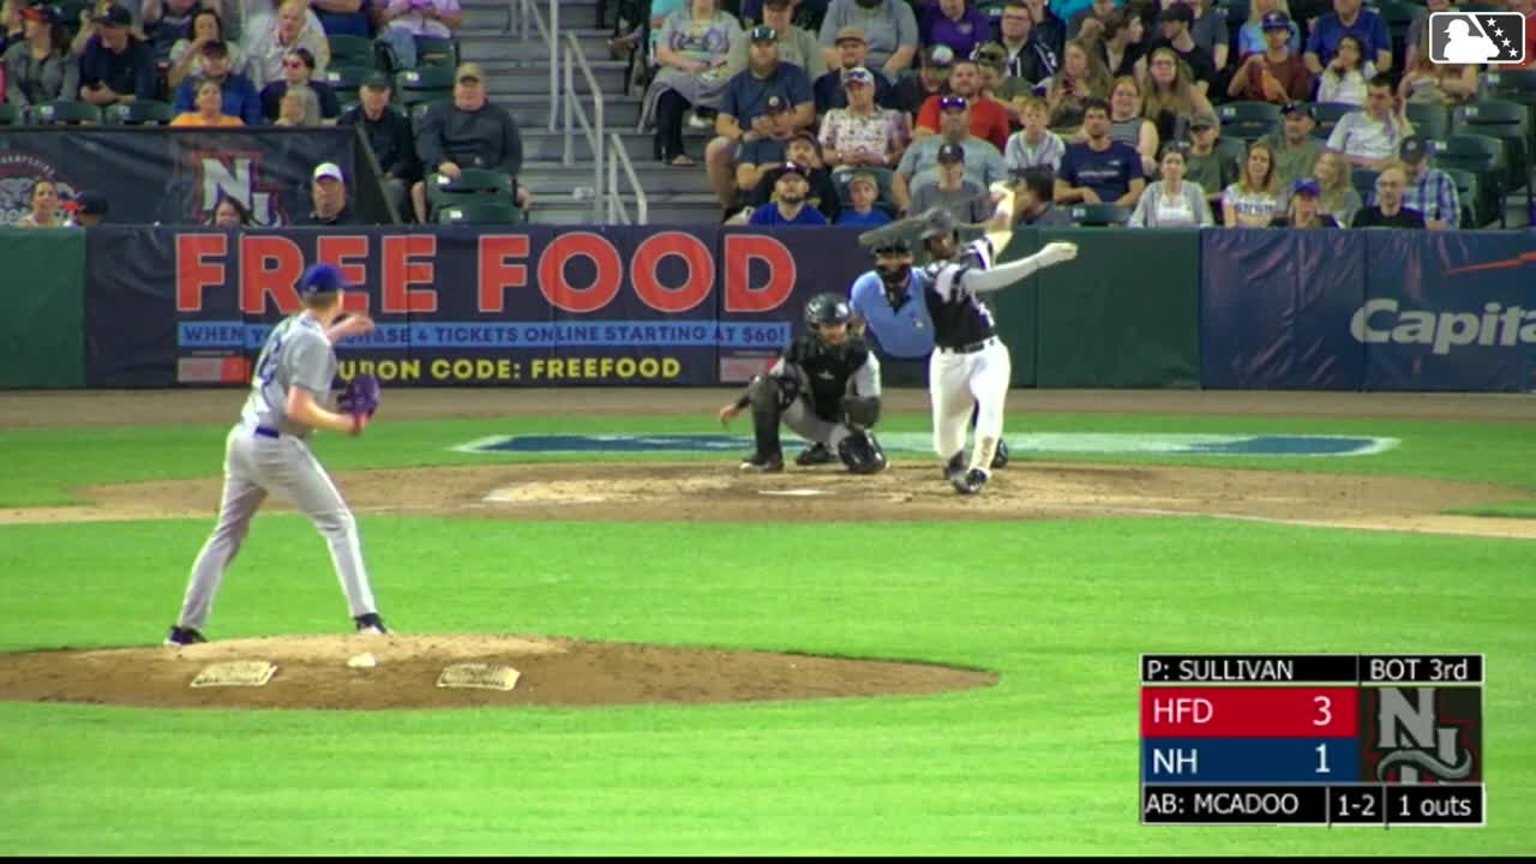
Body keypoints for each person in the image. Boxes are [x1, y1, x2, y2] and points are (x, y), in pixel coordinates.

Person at [164, 263, 390, 647]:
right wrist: (346, 423)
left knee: (227, 533)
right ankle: (367, 621)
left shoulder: (288, 326)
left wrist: (340, 332)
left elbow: (306, 349)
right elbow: (298, 410)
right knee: (339, 523)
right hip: (275, 448)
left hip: (242, 441)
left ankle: (184, 630)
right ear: (339, 298)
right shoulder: (315, 343)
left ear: (303, 298)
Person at [855, 208, 1078, 494]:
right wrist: (1038, 260)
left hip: (988, 353)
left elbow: (998, 234)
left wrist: (1005, 200)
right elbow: (987, 280)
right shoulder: (938, 272)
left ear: (955, 236)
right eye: (934, 240)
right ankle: (955, 464)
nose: (940, 244)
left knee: (989, 404)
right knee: (946, 436)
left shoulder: (976, 252)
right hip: (948, 359)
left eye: (944, 237)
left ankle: (980, 470)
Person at [718, 292, 887, 476]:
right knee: (764, 385)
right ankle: (768, 456)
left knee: (870, 465)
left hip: (842, 426)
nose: (835, 331)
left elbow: (871, 406)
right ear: (816, 327)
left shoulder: (862, 357)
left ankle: (830, 449)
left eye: (839, 324)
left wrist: (859, 420)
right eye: (828, 325)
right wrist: (738, 404)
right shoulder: (800, 349)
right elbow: (768, 381)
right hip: (808, 418)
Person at [1128, 141, 1214, 227]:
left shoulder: (1195, 189)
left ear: (1185, 168)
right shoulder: (1152, 189)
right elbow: (1135, 221)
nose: (1173, 166)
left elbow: (1207, 223)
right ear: (1161, 167)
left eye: (1177, 162)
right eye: (1169, 162)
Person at [1268, 178, 1341, 227]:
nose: (1306, 202)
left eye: (1310, 198)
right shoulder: (1279, 225)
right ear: (1293, 200)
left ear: (1317, 202)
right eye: (1302, 198)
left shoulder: (1327, 223)